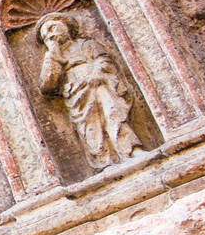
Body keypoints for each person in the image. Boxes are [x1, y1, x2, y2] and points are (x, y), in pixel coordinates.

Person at [37, 12, 146, 169]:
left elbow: (104, 59)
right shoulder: (52, 56)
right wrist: (53, 55)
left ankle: (130, 150)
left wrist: (96, 73)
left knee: (112, 113)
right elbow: (47, 84)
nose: (51, 34)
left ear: (66, 28)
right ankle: (105, 160)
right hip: (75, 92)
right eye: (46, 35)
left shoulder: (84, 45)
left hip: (98, 84)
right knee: (90, 126)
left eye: (53, 28)